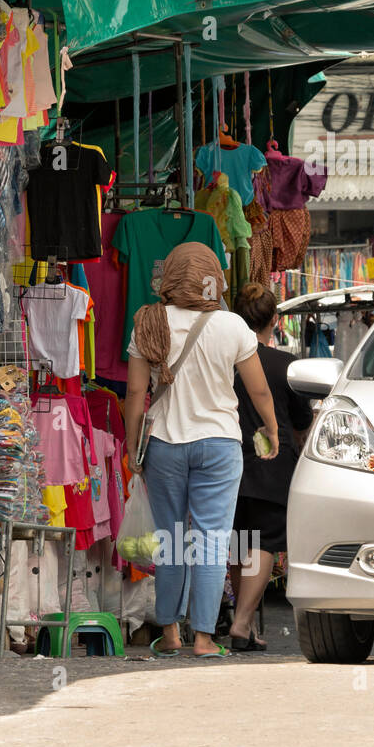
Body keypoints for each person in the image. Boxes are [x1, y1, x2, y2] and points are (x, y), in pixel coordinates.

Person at [125, 243, 278, 659]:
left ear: (170, 277)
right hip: (219, 444)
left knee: (172, 538)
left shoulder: (150, 322)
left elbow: (136, 393)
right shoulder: (232, 326)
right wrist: (271, 427)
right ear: (214, 277)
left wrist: (130, 445)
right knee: (211, 541)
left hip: (164, 446)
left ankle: (171, 634)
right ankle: (206, 640)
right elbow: (258, 388)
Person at [228, 284, 314, 650]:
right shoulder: (286, 366)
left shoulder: (226, 363)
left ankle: (240, 620)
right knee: (263, 541)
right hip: (272, 465)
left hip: (229, 461)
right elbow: (301, 423)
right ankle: (242, 621)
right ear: (274, 320)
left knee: (237, 540)